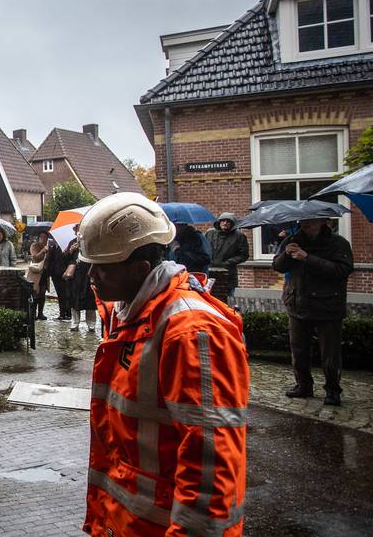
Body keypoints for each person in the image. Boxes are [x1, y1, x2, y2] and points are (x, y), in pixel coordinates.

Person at [78, 192, 248, 536]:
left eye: (102, 267)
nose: (91, 277)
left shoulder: (193, 332)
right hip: (127, 523)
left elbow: (211, 468)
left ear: (141, 269)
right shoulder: (131, 312)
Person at [272, 217, 353, 406]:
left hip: (327, 305)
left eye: (310, 222)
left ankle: (333, 390)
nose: (305, 224)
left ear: (322, 222)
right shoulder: (293, 239)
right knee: (298, 349)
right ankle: (303, 385)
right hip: (298, 302)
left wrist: (307, 258)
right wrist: (286, 253)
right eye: (303, 221)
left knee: (330, 353)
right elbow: (277, 265)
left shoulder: (338, 243)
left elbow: (342, 270)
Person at [206, 212, 248, 303]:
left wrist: (228, 262)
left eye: (228, 221)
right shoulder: (210, 233)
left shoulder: (239, 237)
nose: (225, 223)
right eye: (223, 221)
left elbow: (244, 255)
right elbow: (204, 248)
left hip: (228, 274)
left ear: (232, 224)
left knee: (227, 300)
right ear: (219, 222)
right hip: (210, 272)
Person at [62, 235, 94, 330]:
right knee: (74, 300)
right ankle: (75, 323)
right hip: (75, 276)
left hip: (88, 274)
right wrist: (70, 251)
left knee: (90, 300)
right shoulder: (72, 242)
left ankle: (91, 324)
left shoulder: (90, 241)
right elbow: (65, 260)